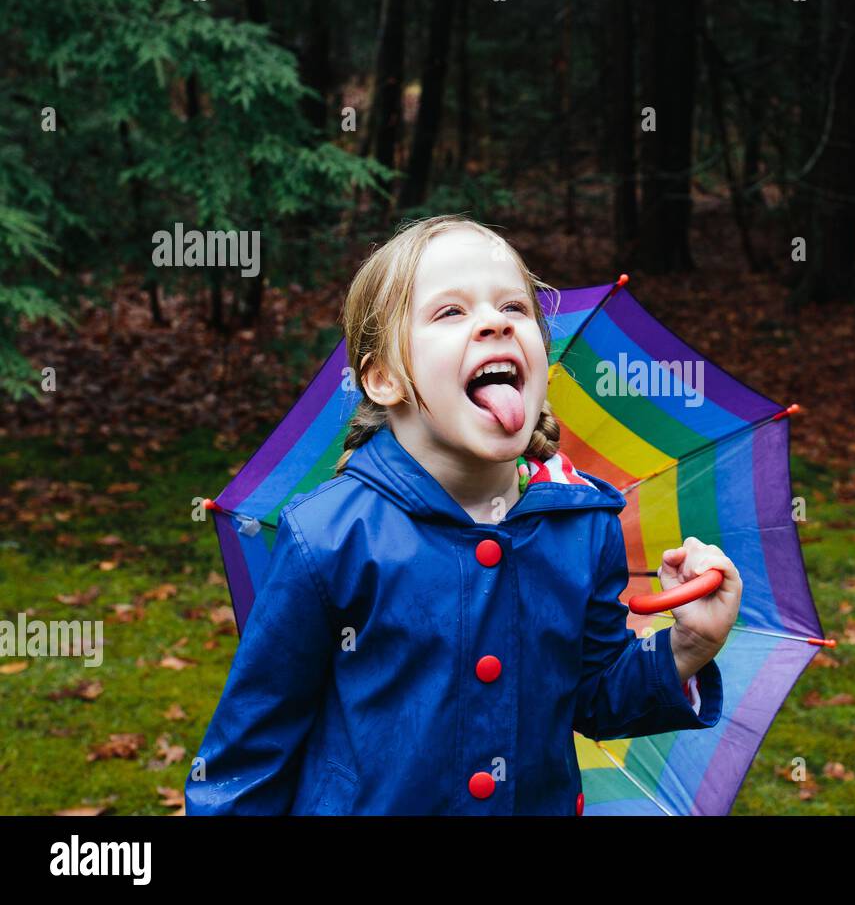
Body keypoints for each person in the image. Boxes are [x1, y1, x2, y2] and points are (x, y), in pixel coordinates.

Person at [185, 214, 742, 814]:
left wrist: (685, 649)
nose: (495, 321)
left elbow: (592, 696)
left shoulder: (583, 525)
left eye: (515, 308)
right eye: (450, 312)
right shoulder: (331, 537)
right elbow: (248, 760)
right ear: (382, 378)